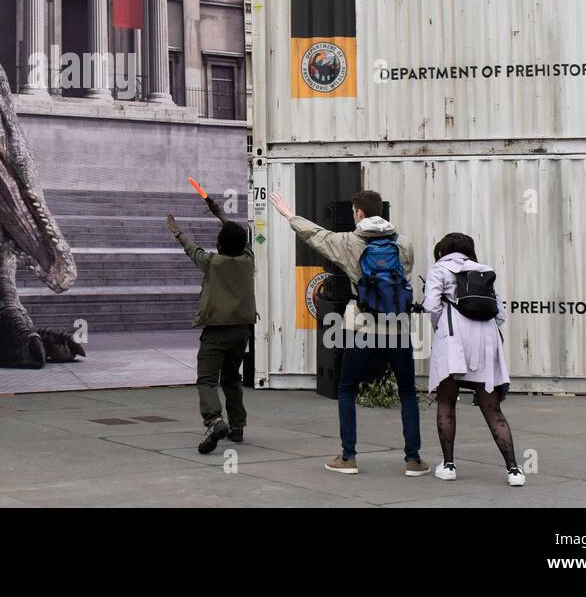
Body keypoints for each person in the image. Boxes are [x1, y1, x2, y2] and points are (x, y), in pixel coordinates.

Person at [269, 188, 428, 477]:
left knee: (346, 389)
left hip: (362, 327)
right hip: (399, 328)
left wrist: (290, 216)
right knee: (407, 392)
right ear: (382, 211)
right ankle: (413, 460)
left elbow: (316, 236)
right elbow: (403, 276)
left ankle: (349, 457)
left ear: (358, 213)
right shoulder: (403, 244)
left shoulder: (348, 242)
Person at [424, 232, 525, 487]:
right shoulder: (485, 270)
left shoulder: (440, 269)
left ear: (444, 249)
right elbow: (499, 314)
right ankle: (514, 470)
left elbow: (431, 306)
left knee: (446, 401)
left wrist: (443, 327)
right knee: (492, 408)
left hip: (454, 340)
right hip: (486, 343)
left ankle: (448, 465)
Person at [166, 194, 257, 454]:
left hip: (216, 332)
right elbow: (240, 237)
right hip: (242, 331)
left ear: (219, 244)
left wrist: (177, 231)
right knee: (231, 379)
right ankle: (237, 426)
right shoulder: (248, 260)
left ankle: (214, 420)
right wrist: (220, 214)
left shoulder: (212, 263)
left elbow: (191, 249)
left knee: (206, 380)